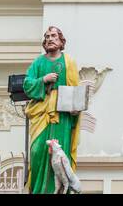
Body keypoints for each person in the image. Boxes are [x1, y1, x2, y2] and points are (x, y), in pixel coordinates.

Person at [23, 26, 81, 194]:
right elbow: (27, 84)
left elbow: (75, 90)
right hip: (41, 113)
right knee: (37, 151)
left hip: (62, 115)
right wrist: (43, 79)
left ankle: (60, 190)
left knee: (60, 155)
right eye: (47, 36)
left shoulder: (69, 61)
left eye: (54, 35)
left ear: (61, 40)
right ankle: (38, 190)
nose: (50, 38)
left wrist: (75, 109)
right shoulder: (38, 62)